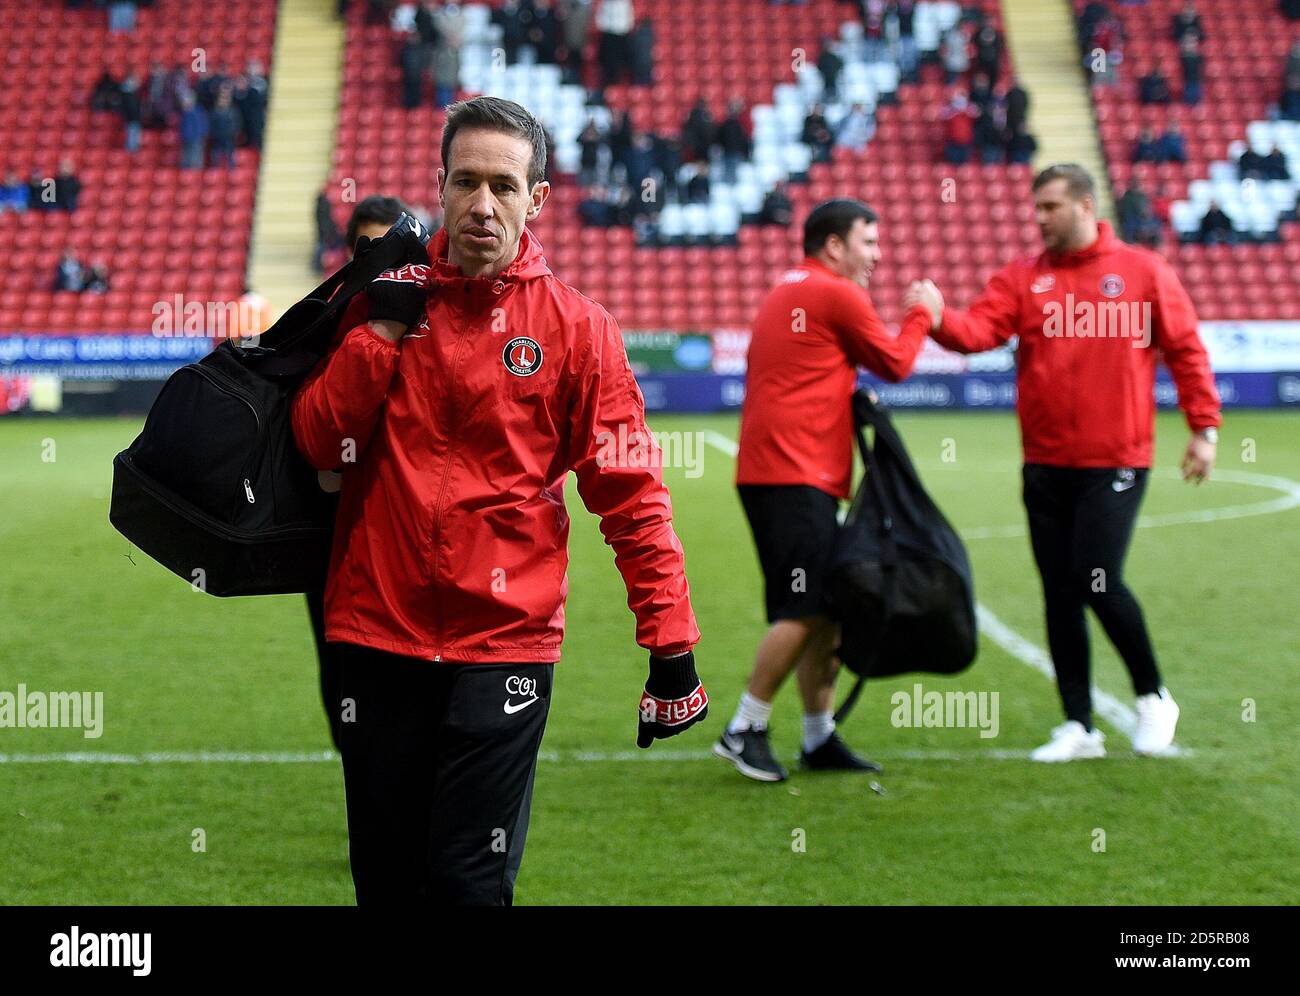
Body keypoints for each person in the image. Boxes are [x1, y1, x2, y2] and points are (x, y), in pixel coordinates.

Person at [290, 96, 707, 904]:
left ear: (537, 199)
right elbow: (316, 441)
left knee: (468, 885)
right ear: (439, 187)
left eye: (505, 186)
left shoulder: (579, 330)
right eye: (466, 182)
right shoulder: (378, 298)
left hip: (506, 646)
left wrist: (671, 640)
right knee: (387, 882)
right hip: (377, 636)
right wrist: (380, 337)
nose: (484, 205)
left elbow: (631, 492)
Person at [904, 163, 1220, 762]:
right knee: (1058, 591)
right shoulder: (1023, 278)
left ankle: (1154, 697)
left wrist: (1203, 428)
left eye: (1050, 206)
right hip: (1045, 460)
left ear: (1084, 205)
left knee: (1098, 576)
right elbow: (978, 332)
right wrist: (939, 317)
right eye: (1036, 208)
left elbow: (1185, 350)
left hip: (1116, 458)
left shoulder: (1143, 271)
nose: (1040, 218)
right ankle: (1080, 725)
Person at [719, 199, 938, 783]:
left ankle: (818, 737)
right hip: (793, 477)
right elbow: (894, 362)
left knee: (827, 608)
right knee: (806, 605)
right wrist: (923, 313)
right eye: (869, 242)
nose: (877, 255)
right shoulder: (834, 292)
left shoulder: (792, 289)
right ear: (834, 246)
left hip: (781, 475)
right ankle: (744, 727)